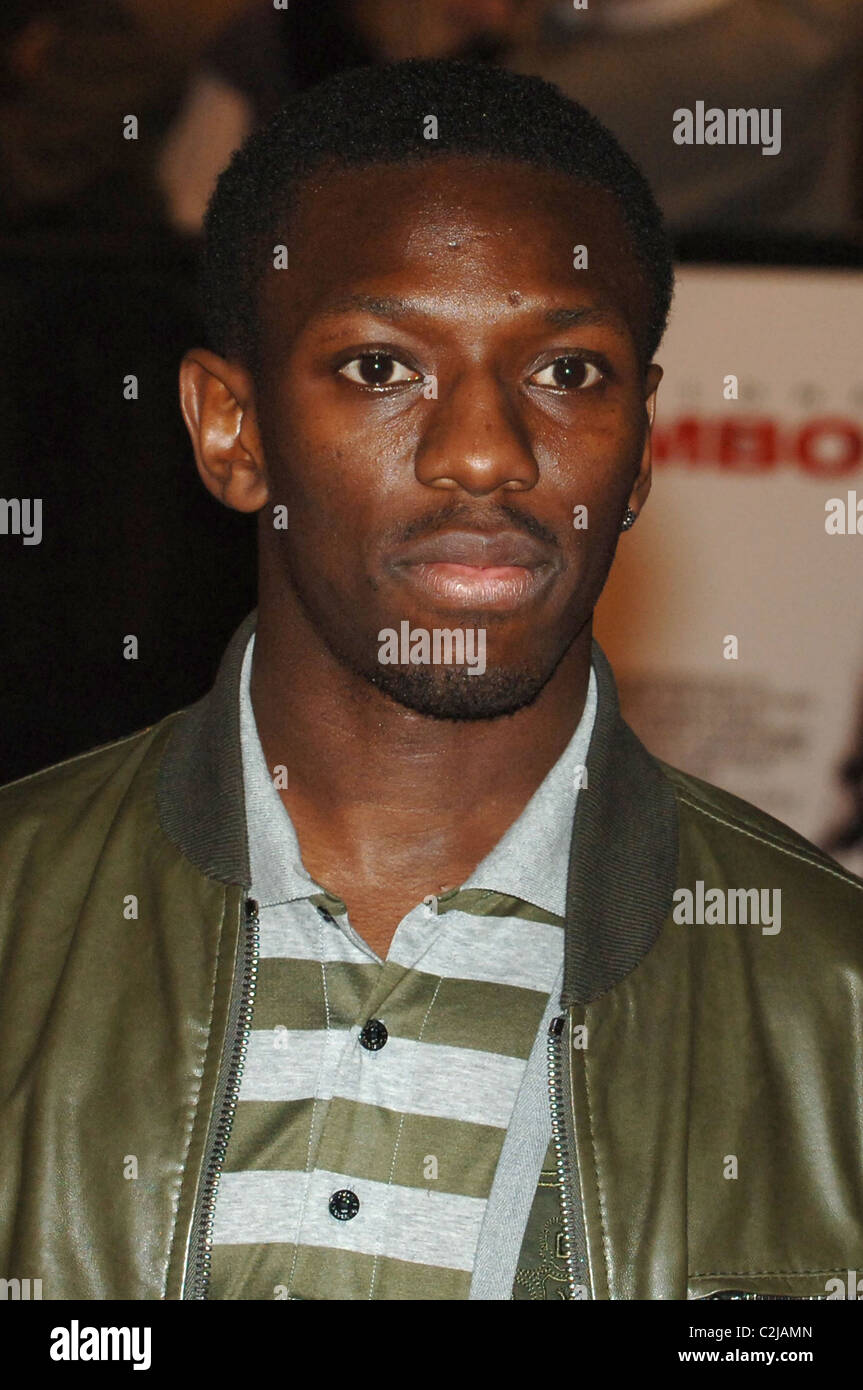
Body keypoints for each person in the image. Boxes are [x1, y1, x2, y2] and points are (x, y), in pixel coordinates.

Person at [0, 59, 860, 1302]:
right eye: (378, 366)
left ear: (640, 451)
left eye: (564, 373)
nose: (481, 452)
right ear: (229, 429)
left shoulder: (829, 1007)